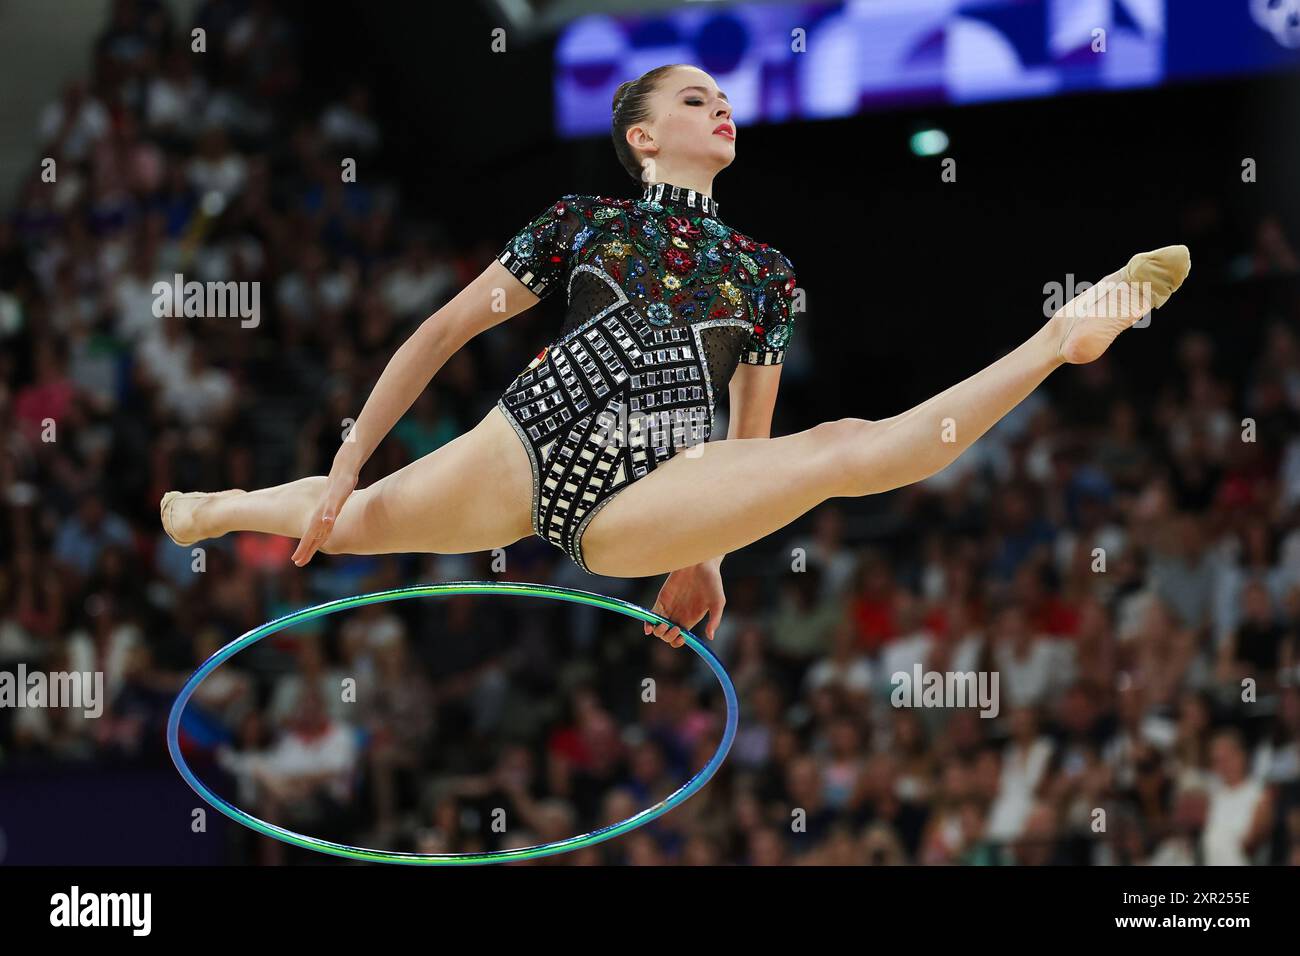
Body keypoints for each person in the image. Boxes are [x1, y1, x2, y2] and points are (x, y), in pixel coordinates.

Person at [161, 63, 1190, 650]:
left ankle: (1060, 339)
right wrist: (349, 459)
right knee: (350, 525)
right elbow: (440, 332)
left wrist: (705, 554)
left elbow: (751, 440)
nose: (719, 106)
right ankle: (223, 505)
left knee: (838, 446)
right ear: (643, 138)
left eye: (721, 98)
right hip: (532, 437)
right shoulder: (583, 222)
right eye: (694, 99)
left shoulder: (769, 275)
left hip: (645, 493)